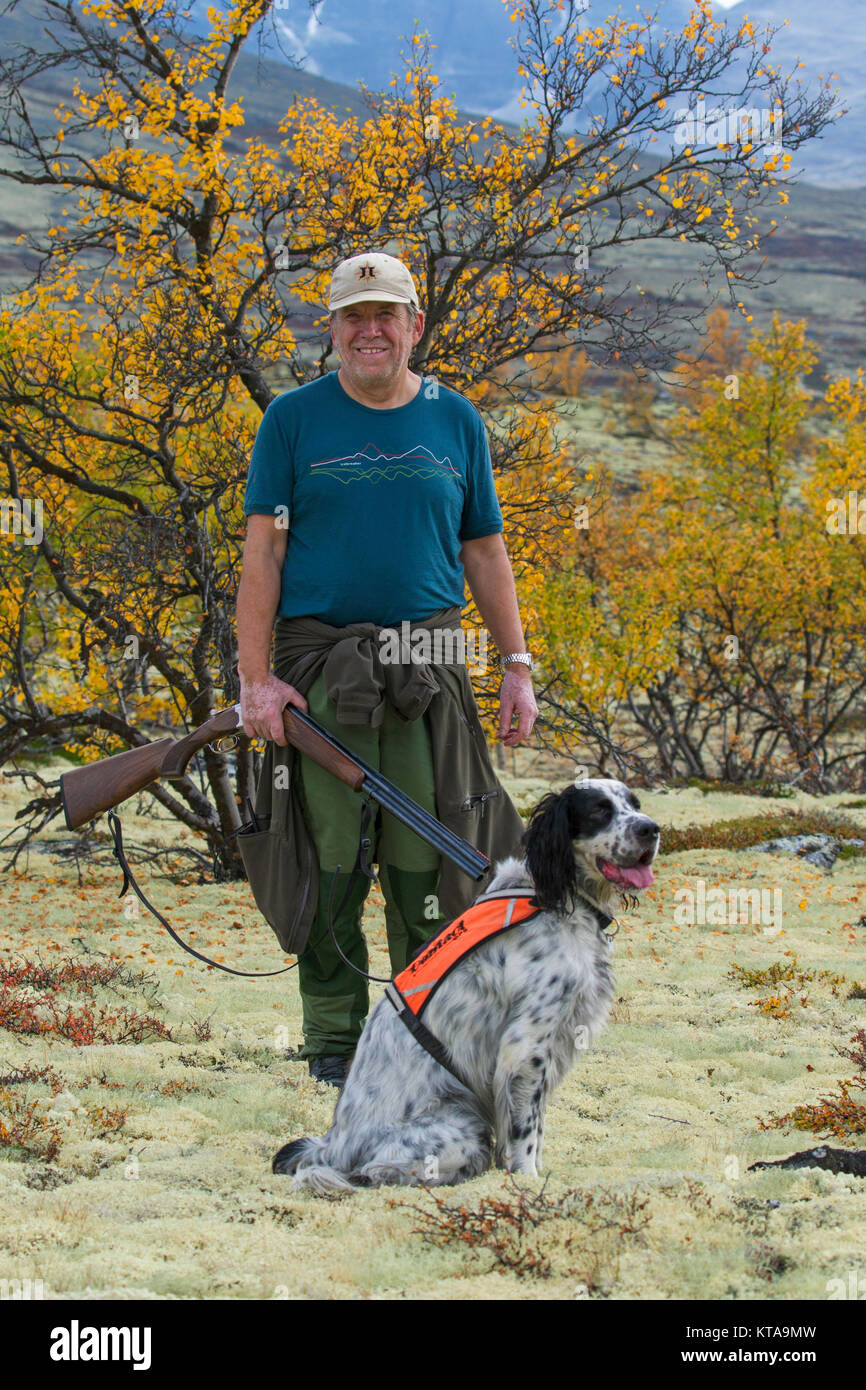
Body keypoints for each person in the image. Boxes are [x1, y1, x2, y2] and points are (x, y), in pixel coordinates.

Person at [236, 250, 538, 1087]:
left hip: (429, 667)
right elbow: (264, 549)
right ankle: (332, 1045)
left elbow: (483, 548)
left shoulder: (455, 419)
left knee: (428, 862)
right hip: (320, 670)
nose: (370, 329)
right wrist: (254, 682)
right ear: (331, 329)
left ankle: (427, 1036)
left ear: (414, 324)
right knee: (329, 862)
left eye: (386, 314)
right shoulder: (293, 419)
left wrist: (515, 663)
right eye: (352, 315)